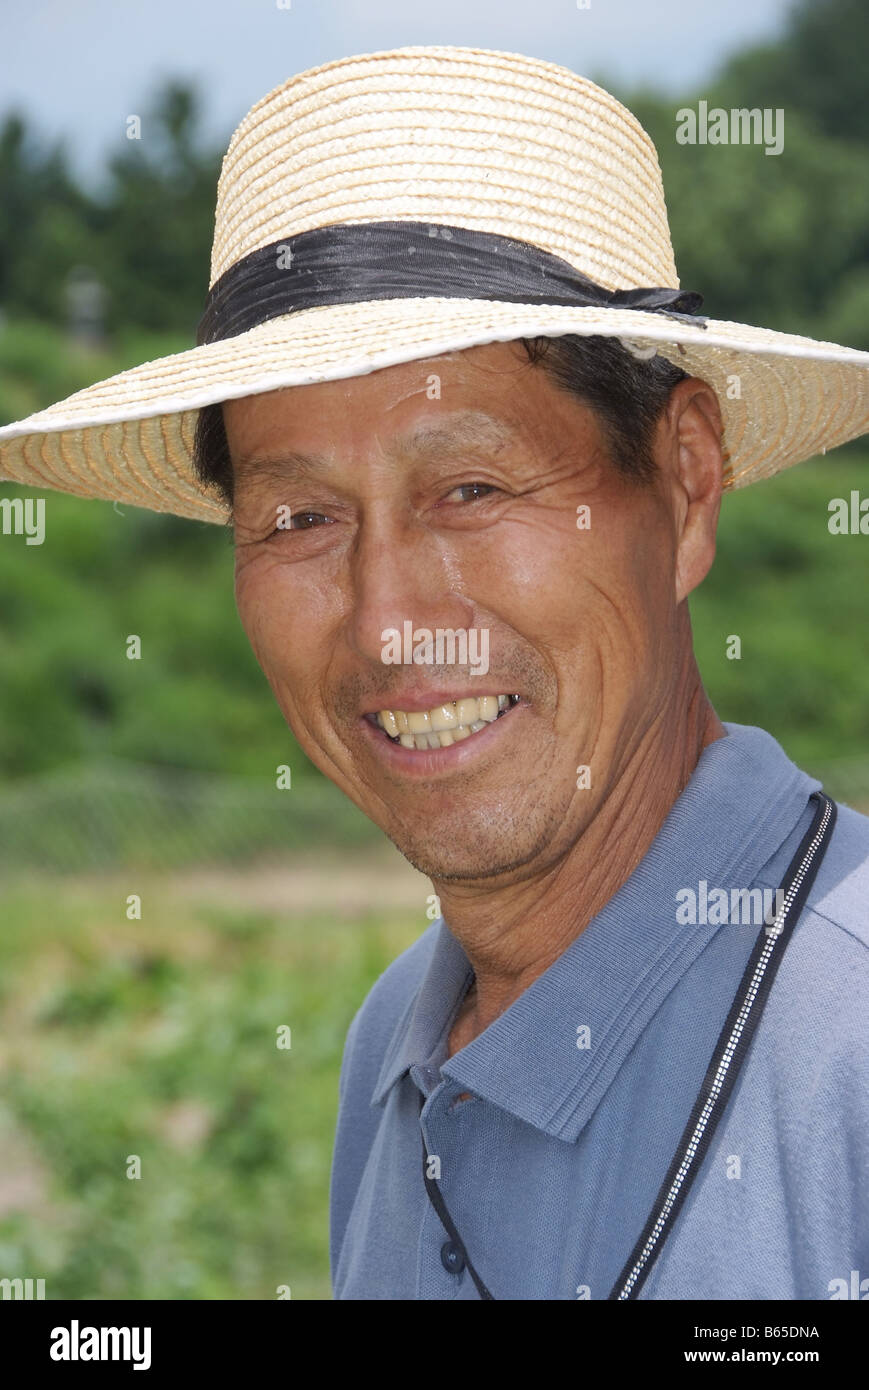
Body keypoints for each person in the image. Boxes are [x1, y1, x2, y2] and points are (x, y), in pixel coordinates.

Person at [1, 46, 867, 1301]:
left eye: (470, 488)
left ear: (684, 483)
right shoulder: (395, 1049)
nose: (389, 624)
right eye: (299, 519)